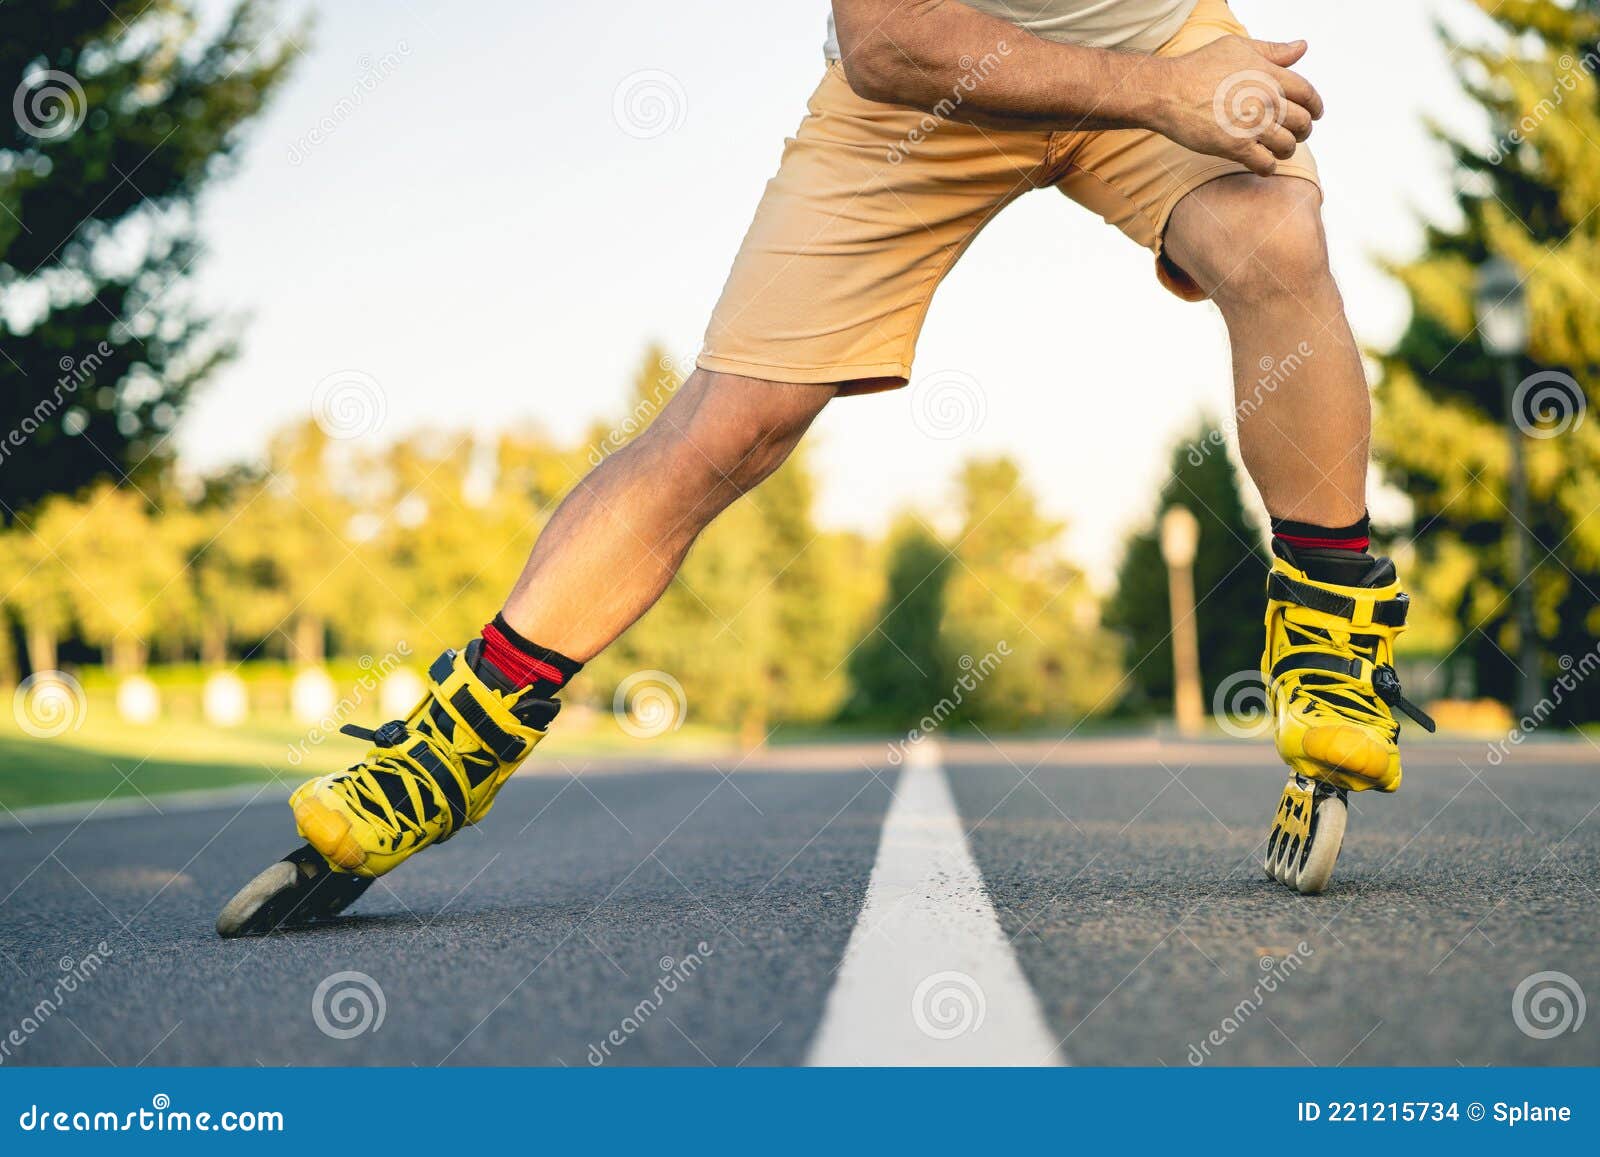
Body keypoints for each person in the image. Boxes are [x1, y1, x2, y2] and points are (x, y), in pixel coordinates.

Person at [217, 0, 1434, 934]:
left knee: (1274, 231)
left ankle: (1328, 644)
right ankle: (454, 743)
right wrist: (1159, 91)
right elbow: (889, 38)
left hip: (1144, 24)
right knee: (733, 421)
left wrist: (1177, 72)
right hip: (925, 74)